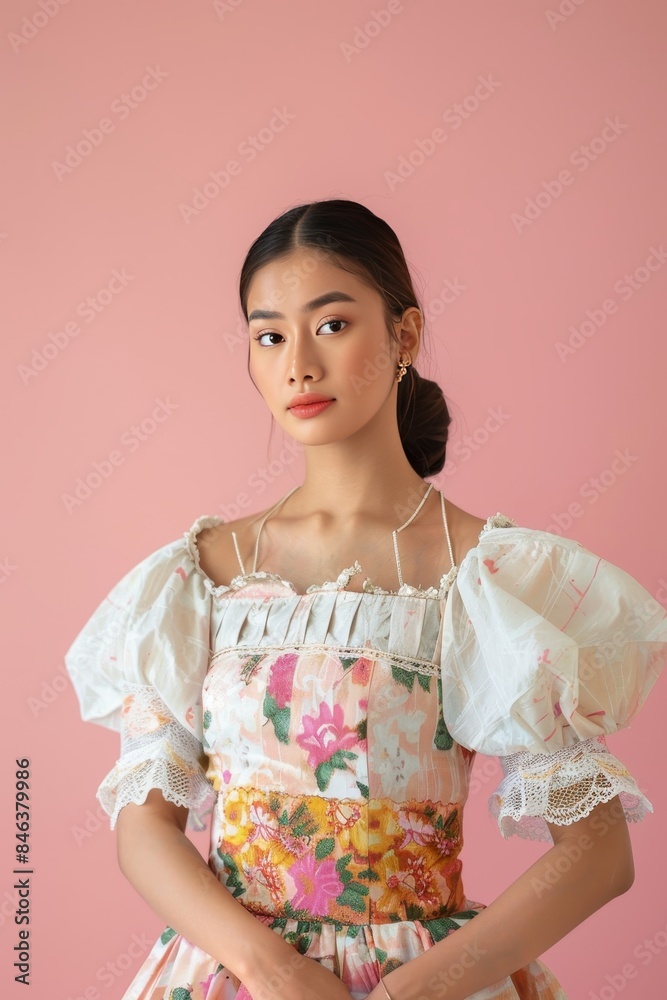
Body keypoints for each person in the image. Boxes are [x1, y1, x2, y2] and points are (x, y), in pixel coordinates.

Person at [64, 198, 667, 1000]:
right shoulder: (200, 574)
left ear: (404, 337)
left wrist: (403, 994)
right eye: (268, 335)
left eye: (333, 325)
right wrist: (272, 970)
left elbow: (596, 854)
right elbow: (143, 829)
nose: (297, 366)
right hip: (233, 979)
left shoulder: (481, 579)